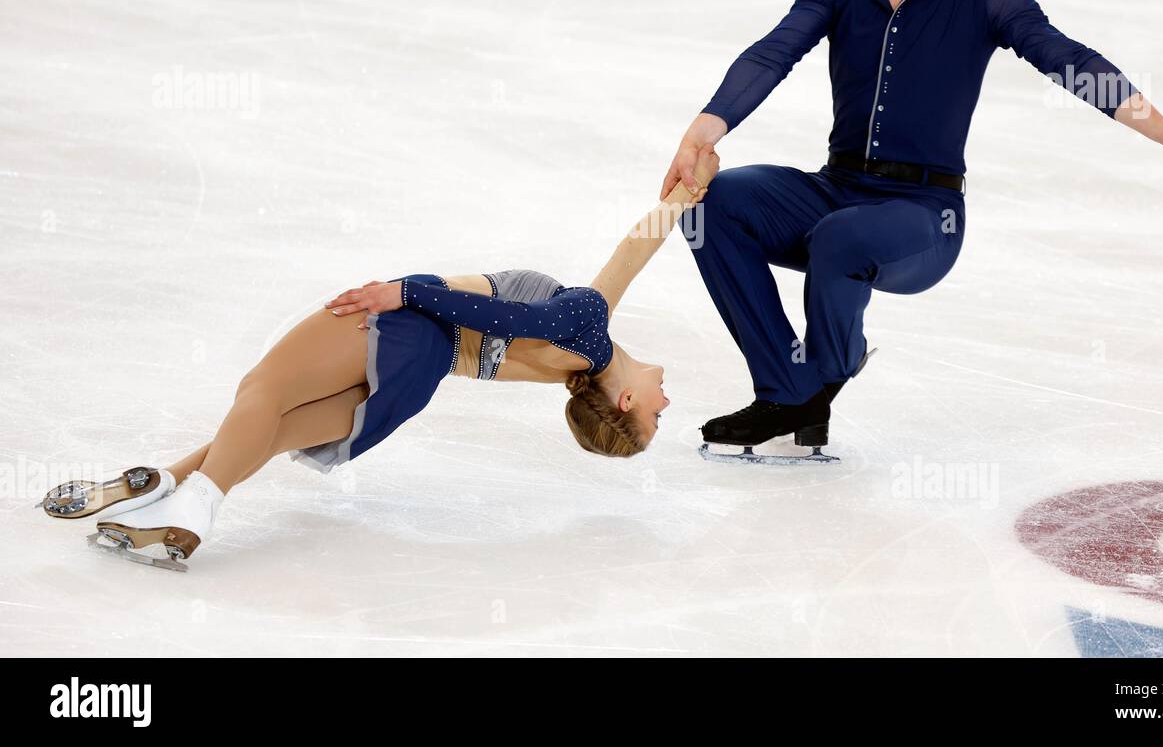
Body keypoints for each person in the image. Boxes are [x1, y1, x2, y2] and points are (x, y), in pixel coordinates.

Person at [658, 0, 1163, 459]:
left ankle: (829, 370)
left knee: (843, 238)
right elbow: (775, 50)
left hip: (922, 217)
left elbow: (1069, 61)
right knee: (711, 202)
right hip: (836, 188)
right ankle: (787, 388)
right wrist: (709, 124)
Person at [41, 148, 721, 569]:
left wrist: (404, 291)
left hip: (408, 326)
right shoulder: (574, 360)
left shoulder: (585, 333)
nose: (669, 404)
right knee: (274, 431)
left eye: (657, 419)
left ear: (625, 403)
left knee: (264, 389)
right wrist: (685, 196)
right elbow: (634, 250)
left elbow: (507, 316)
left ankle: (190, 514)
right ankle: (167, 481)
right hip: (414, 379)